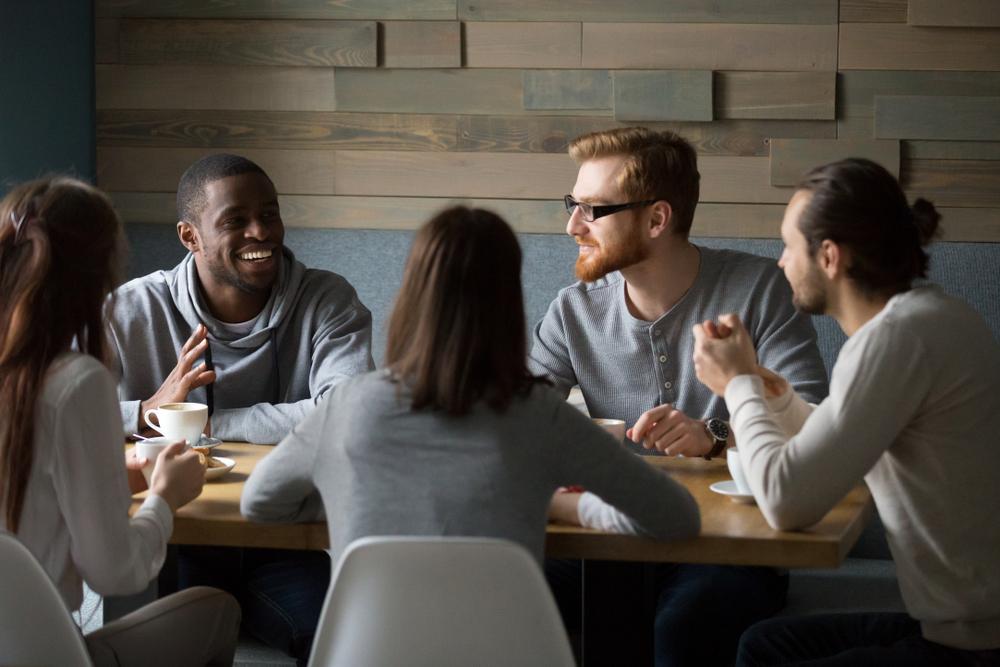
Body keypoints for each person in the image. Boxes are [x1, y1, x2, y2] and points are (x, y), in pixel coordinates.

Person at [241, 206, 701, 573]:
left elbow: (261, 502)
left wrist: (351, 506)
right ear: (507, 303)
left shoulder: (347, 406)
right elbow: (676, 517)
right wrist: (571, 508)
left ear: (412, 294)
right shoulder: (540, 415)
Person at [529, 127, 829, 666]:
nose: (572, 224)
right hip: (608, 534)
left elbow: (815, 422)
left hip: (731, 546)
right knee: (498, 586)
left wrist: (713, 435)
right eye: (572, 204)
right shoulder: (572, 311)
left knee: (684, 627)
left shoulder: (759, 290)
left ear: (657, 219)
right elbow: (517, 419)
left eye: (592, 209)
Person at [692, 158, 1000, 666]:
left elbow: (787, 502)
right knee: (762, 645)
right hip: (959, 627)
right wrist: (773, 392)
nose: (780, 263)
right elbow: (834, 439)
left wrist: (739, 384)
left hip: (974, 645)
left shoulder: (898, 338)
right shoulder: (924, 317)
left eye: (790, 246)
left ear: (829, 257)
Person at [108, 153, 374, 663]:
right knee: (174, 644)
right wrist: (146, 409)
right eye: (236, 220)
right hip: (172, 536)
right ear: (190, 237)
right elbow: (50, 410)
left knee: (341, 638)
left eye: (269, 214)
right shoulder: (130, 309)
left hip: (282, 538)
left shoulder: (326, 299)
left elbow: (351, 411)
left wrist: (210, 421)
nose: (261, 232)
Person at [0, 176, 240, 666]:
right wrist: (164, 497)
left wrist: (116, 476)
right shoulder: (73, 382)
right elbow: (115, 573)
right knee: (219, 608)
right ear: (102, 271)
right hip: (43, 653)